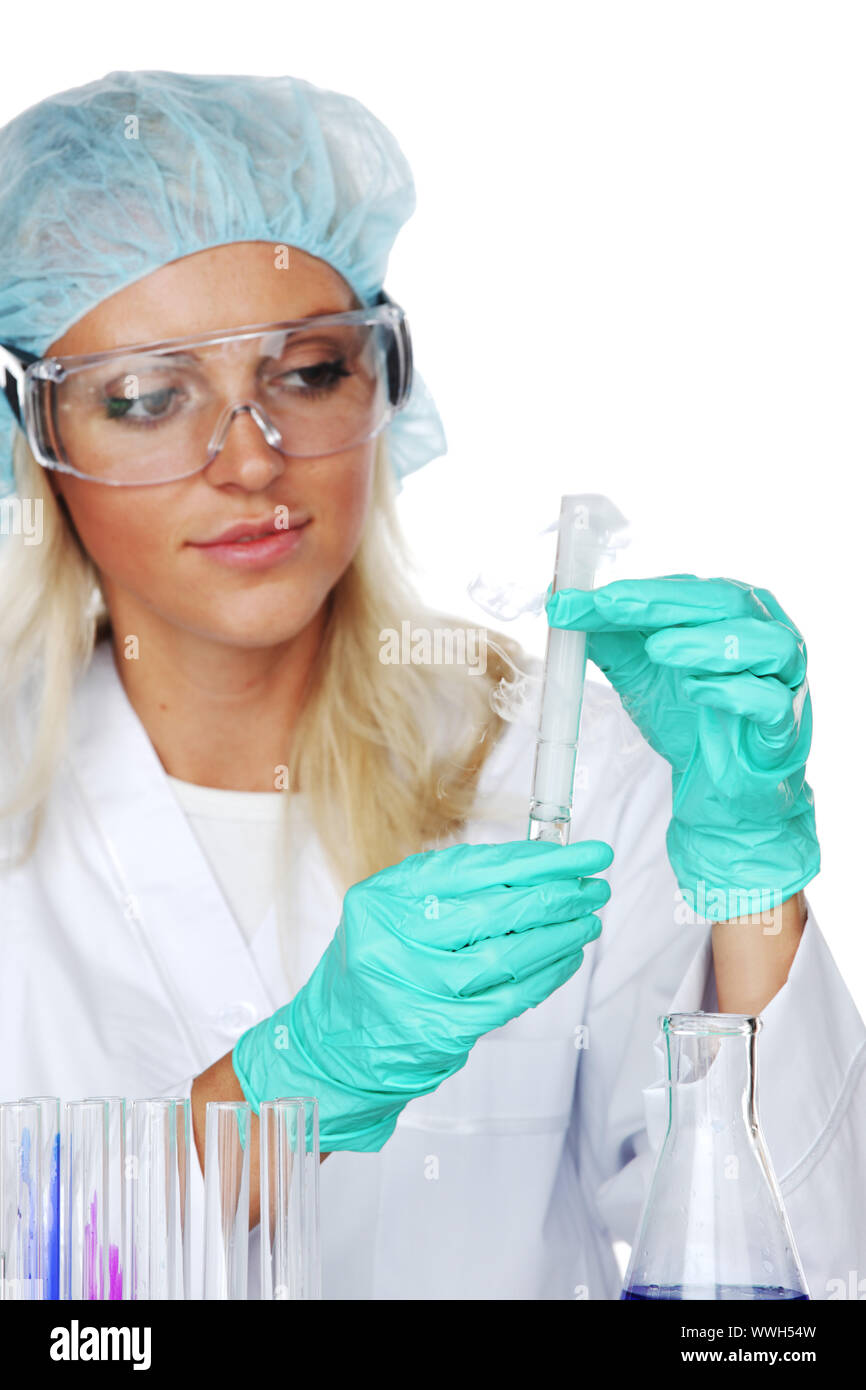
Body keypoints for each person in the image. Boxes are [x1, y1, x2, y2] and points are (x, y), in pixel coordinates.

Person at [0, 69, 863, 1301]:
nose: (250, 460)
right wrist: (276, 1091)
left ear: (384, 384)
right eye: (147, 397)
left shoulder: (566, 765)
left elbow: (797, 1276)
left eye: (308, 372)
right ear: (29, 436)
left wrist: (750, 881)